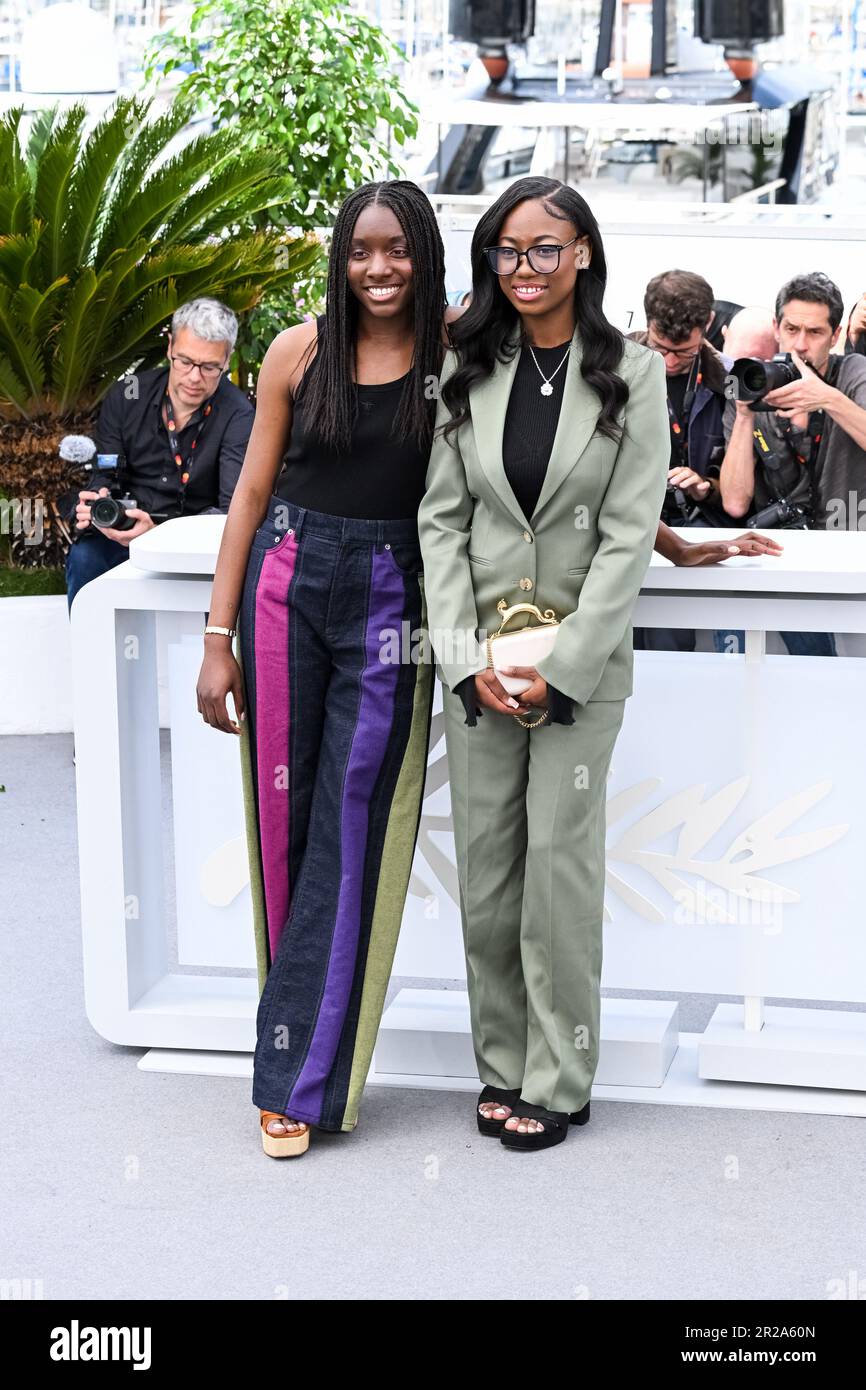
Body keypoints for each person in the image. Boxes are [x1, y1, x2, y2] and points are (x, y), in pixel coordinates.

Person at [196, 180, 458, 1158]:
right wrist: (216, 638)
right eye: (360, 250)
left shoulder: (452, 364)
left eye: (395, 250)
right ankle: (297, 1053)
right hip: (286, 585)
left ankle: (294, 1080)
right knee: (283, 821)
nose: (378, 268)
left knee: (346, 830)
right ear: (341, 257)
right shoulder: (296, 352)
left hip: (395, 598)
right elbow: (252, 492)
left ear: (422, 254)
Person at [418, 176, 670, 1152]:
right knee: (486, 877)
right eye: (505, 251)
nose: (522, 267)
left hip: (573, 673)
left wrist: (558, 663)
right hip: (478, 668)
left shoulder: (631, 374)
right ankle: (501, 1063)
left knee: (558, 875)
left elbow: (625, 533)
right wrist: (461, 653)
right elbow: (441, 519)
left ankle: (559, 1076)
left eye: (542, 248)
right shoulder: (468, 368)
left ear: (582, 255)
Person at [66, 298, 253, 609]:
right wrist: (97, 500)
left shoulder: (239, 415)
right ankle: (91, 655)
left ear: (227, 358)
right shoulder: (128, 394)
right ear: (169, 347)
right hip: (122, 533)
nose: (195, 377)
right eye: (185, 361)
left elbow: (231, 512)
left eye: (209, 367)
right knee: (86, 557)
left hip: (193, 547)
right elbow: (106, 473)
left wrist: (162, 536)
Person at [715, 302, 838, 656]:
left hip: (830, 554)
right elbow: (735, 503)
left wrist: (824, 402)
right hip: (767, 556)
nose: (748, 374)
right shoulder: (741, 401)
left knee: (819, 665)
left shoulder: (835, 386)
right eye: (736, 364)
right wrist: (743, 415)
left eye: (756, 364)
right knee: (734, 665)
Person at [628, 269, 740, 653]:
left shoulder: (729, 379)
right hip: (623, 532)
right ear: (646, 324)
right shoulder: (610, 368)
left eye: (685, 352)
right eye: (661, 349)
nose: (672, 362)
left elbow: (744, 491)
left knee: (675, 657)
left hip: (697, 533)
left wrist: (706, 486)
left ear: (708, 324)